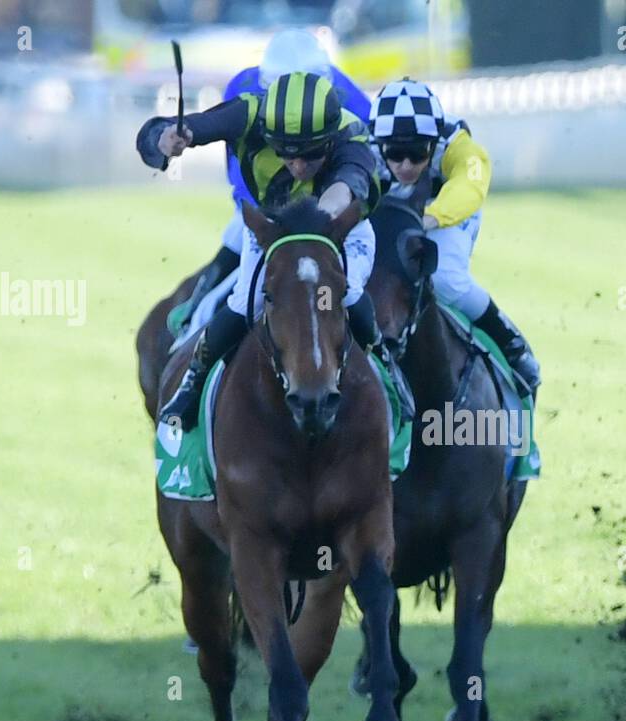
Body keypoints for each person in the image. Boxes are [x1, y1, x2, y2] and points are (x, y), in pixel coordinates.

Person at [138, 71, 389, 431]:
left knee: (338, 296)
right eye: (287, 153)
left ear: (331, 139)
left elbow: (342, 193)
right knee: (245, 302)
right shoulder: (250, 114)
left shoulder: (354, 138)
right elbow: (192, 125)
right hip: (276, 230)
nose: (299, 166)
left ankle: (387, 370)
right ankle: (193, 379)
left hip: (338, 231)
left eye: (312, 154)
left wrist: (314, 230)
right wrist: (166, 138)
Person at [169, 28, 373, 334]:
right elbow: (237, 163)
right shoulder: (243, 88)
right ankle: (197, 306)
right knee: (238, 241)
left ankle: (378, 350)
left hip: (328, 216)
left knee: (329, 298)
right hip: (268, 207)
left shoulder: (353, 102)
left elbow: (358, 168)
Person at [369, 78, 540, 397]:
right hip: (389, 215)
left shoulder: (459, 146)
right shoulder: (363, 146)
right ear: (379, 143)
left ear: (433, 144)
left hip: (445, 213)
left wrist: (429, 218)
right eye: (395, 153)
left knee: (446, 278)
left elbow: (470, 187)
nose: (406, 165)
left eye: (418, 153)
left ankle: (512, 345)